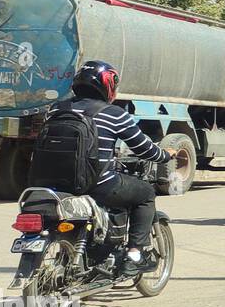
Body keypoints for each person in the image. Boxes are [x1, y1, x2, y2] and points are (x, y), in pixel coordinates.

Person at [56, 61, 174, 279]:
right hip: (95, 184)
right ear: (107, 86)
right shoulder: (113, 113)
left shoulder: (56, 108)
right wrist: (165, 155)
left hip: (54, 184)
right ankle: (134, 256)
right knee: (146, 193)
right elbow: (144, 148)